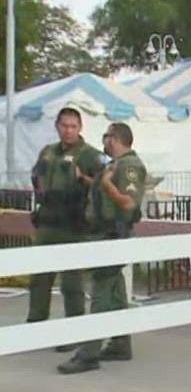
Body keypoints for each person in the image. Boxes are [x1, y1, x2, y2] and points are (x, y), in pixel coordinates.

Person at [57, 123, 148, 375]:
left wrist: (107, 185)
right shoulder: (114, 165)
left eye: (106, 137)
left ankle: (89, 353)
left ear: (116, 138)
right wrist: (89, 180)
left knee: (100, 293)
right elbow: (104, 191)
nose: (103, 142)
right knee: (116, 291)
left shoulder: (130, 166)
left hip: (113, 236)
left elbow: (128, 204)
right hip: (104, 235)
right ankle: (120, 343)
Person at [26, 108, 106, 345]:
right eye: (64, 125)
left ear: (80, 127)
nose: (68, 130)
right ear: (57, 126)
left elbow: (105, 186)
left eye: (73, 126)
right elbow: (36, 176)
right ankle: (35, 328)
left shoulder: (90, 155)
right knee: (39, 279)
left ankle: (72, 333)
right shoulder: (48, 152)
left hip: (74, 225)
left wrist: (85, 180)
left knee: (71, 283)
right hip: (48, 223)